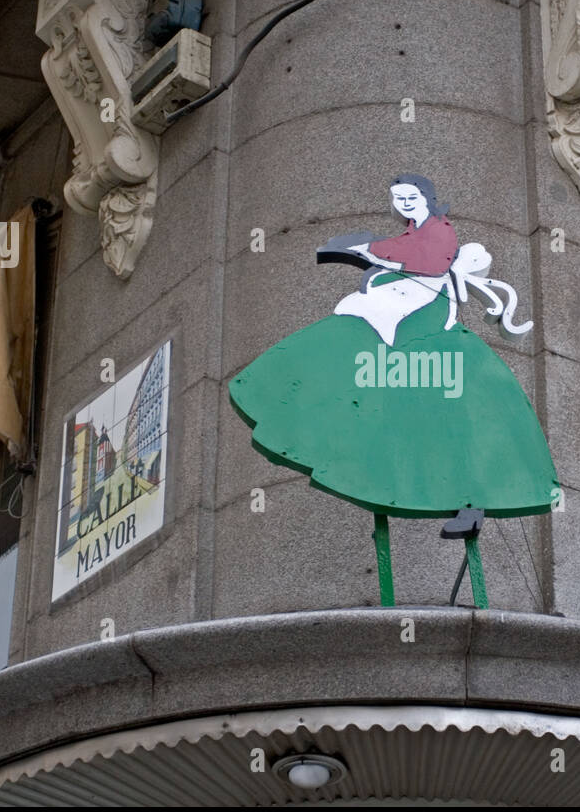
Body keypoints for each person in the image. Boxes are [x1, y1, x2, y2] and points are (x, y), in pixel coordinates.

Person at [229, 174, 559, 603]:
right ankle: (304, 417)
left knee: (461, 420)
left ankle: (469, 504)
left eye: (411, 196)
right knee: (385, 394)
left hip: (435, 343)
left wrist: (373, 251)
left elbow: (426, 258)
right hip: (406, 344)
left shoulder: (439, 231)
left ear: (428, 199)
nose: (404, 204)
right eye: (398, 198)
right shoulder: (407, 239)